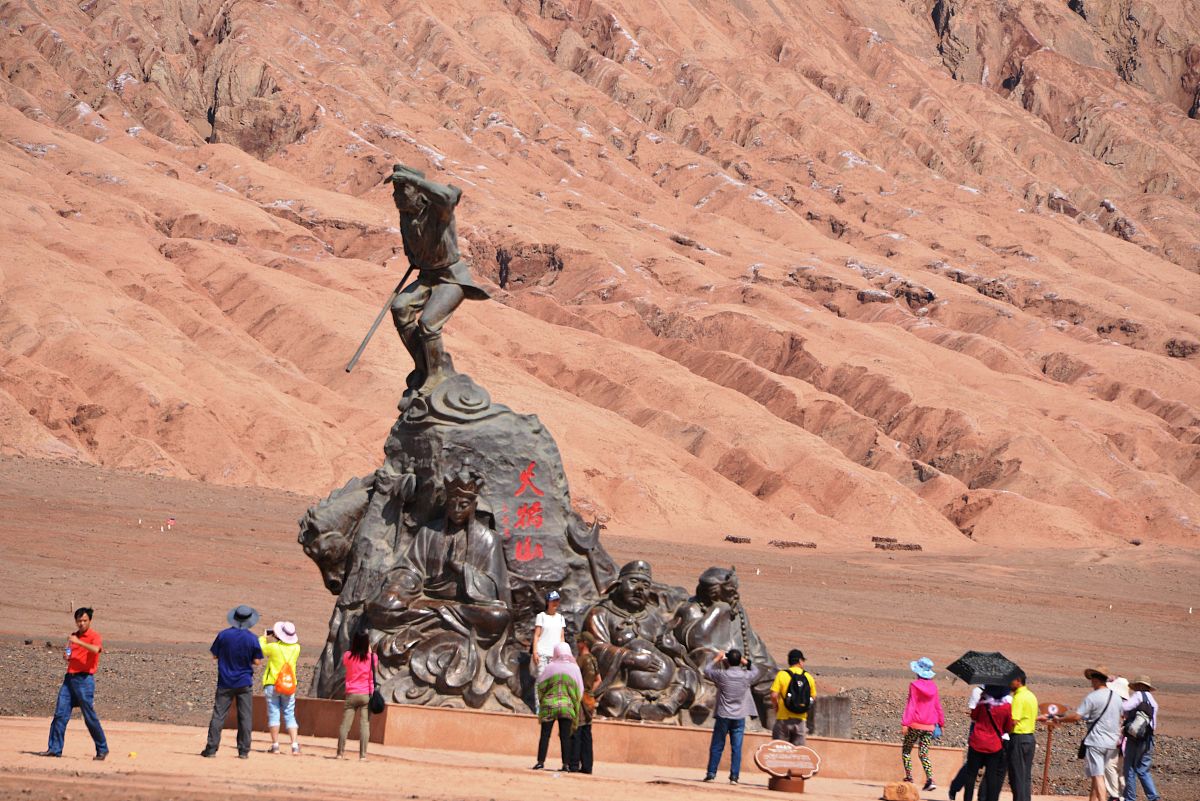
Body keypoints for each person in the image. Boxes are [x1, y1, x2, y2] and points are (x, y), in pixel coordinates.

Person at [386, 164, 490, 403]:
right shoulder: (406, 214)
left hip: (451, 278)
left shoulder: (438, 210)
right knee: (400, 307)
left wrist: (418, 182)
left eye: (403, 192)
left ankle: (436, 375)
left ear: (419, 192)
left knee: (428, 323)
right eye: (395, 192)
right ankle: (423, 367)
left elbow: (449, 195)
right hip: (427, 277)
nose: (396, 198)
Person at [38, 607, 108, 760]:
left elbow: (96, 649)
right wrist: (67, 654)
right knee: (60, 714)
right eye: (79, 621)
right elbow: (69, 650)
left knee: (89, 716)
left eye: (84, 620)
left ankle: (102, 749)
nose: (81, 623)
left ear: (89, 621)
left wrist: (79, 643)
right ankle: (54, 748)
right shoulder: (73, 636)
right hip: (69, 679)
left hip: (85, 680)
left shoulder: (94, 636)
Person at [1045, 666, 1122, 801]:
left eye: (1092, 679)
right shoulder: (1116, 697)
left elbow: (1076, 717)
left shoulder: (1093, 697)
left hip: (1096, 741)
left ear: (1097, 679)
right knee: (1097, 773)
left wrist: (1060, 719)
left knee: (1097, 775)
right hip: (1111, 743)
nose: (1091, 682)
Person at [202, 605, 264, 758]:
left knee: (218, 715)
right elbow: (257, 661)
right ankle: (243, 750)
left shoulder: (223, 635)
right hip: (244, 682)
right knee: (245, 716)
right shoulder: (252, 638)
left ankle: (211, 748)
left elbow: (215, 655)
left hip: (225, 681)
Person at [702, 649, 757, 784]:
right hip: (739, 716)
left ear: (727, 661)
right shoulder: (746, 676)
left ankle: (711, 774)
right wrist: (745, 661)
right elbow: (756, 671)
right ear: (739, 661)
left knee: (717, 745)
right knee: (736, 747)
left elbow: (706, 669)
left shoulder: (722, 675)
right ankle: (734, 777)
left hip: (723, 714)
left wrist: (717, 658)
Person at [951, 685, 1013, 801]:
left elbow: (974, 716)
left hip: (977, 742)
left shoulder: (983, 702)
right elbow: (1008, 727)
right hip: (994, 745)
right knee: (991, 776)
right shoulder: (1006, 707)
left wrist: (981, 699)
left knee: (971, 775)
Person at [532, 642, 582, 771]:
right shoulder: (575, 668)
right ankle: (565, 764)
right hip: (567, 706)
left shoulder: (550, 667)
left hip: (549, 706)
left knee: (545, 735)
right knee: (565, 736)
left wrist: (543, 700)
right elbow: (580, 689)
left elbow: (541, 686)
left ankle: (540, 762)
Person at [901, 656, 945, 791]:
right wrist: (941, 722)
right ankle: (930, 779)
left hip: (915, 724)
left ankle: (909, 778)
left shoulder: (914, 686)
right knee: (924, 753)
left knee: (906, 751)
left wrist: (905, 722)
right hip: (930, 726)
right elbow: (937, 706)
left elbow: (911, 705)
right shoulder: (934, 687)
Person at [259, 621, 301, 755]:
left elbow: (261, 649)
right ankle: (294, 745)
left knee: (274, 713)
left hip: (272, 683)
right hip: (289, 685)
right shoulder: (296, 648)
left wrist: (263, 637)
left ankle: (275, 745)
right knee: (289, 714)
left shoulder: (273, 648)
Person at [337, 626, 377, 761]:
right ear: (367, 643)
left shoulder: (348, 656)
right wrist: (369, 650)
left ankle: (340, 753)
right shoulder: (372, 658)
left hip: (351, 693)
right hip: (366, 693)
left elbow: (345, 663)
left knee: (345, 725)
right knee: (364, 725)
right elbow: (373, 666)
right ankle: (363, 755)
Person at [1121, 676, 1160, 801]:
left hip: (1135, 738)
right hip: (1148, 739)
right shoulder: (1153, 702)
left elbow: (1125, 708)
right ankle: (1154, 798)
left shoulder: (1138, 695)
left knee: (1129, 768)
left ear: (1139, 686)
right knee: (1143, 770)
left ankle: (1130, 798)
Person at [769, 648, 816, 745]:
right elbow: (813, 697)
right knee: (798, 752)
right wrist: (803, 707)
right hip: (800, 720)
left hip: (783, 718)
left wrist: (776, 707)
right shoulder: (808, 677)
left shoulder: (782, 675)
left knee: (780, 750)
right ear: (799, 661)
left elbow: (774, 695)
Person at [568, 633, 600, 774]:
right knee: (587, 733)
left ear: (584, 643)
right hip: (589, 699)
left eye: (579, 641)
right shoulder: (593, 660)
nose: (577, 644)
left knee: (576, 731)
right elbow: (598, 679)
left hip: (579, 698)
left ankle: (574, 765)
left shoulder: (580, 660)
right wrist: (590, 692)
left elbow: (574, 680)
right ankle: (587, 766)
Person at [1007, 671, 1038, 801]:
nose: (1008, 683)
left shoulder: (1018, 697)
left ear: (1018, 680)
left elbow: (1013, 720)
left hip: (1018, 738)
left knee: (1017, 776)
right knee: (1025, 776)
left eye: (1011, 680)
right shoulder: (1031, 695)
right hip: (1029, 738)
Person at [531, 590, 566, 680]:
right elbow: (536, 635)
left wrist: (563, 653)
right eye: (553, 600)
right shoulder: (541, 616)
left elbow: (561, 637)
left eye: (557, 600)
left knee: (554, 682)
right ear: (548, 602)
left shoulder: (561, 618)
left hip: (555, 656)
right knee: (541, 681)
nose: (555, 603)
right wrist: (535, 652)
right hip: (542, 654)